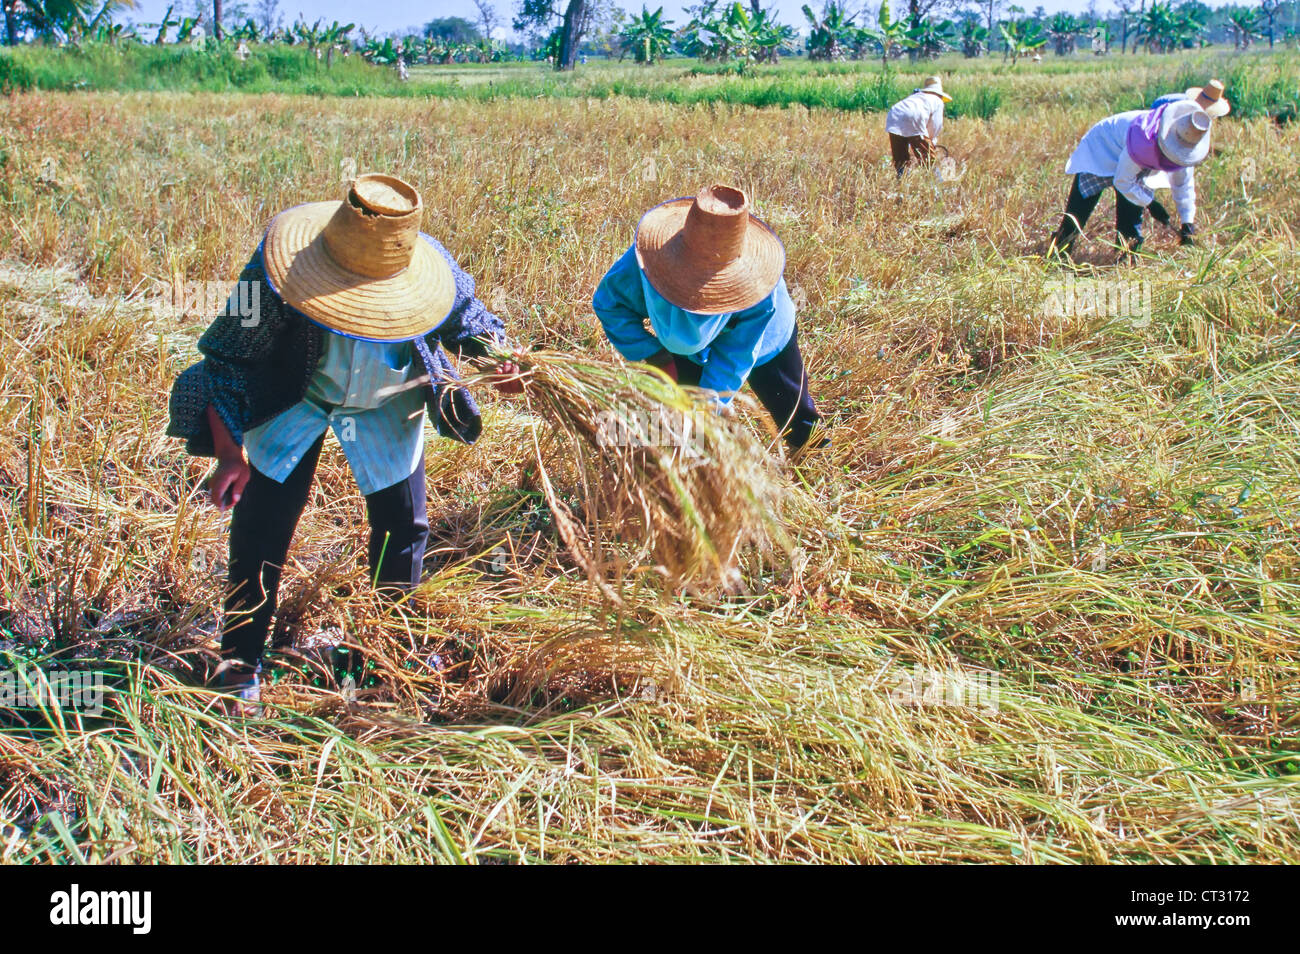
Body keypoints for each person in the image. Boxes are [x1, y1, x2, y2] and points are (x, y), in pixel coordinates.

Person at [167, 173, 519, 704]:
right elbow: (228, 359)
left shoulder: (434, 269)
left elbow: (470, 321)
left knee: (403, 526)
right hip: (294, 389)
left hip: (387, 391)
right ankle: (239, 662)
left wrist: (501, 358)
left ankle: (388, 654)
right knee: (263, 522)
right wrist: (228, 454)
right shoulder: (273, 273)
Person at [592, 184, 823, 452]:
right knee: (687, 415)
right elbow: (610, 305)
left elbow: (736, 356)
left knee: (790, 405)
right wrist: (655, 355)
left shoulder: (759, 293)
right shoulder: (646, 262)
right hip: (684, 348)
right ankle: (709, 461)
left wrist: (709, 406)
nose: (696, 302)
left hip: (765, 340)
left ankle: (811, 451)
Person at [1048, 79, 1228, 261]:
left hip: (1133, 158)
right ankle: (1059, 251)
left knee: (1131, 216)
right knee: (1078, 211)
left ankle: (1126, 257)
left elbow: (1183, 184)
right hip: (1103, 148)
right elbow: (1123, 180)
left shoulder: (1186, 142)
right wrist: (1150, 203)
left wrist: (1187, 222)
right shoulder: (1145, 137)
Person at [885, 76, 951, 177]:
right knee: (928, 160)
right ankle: (936, 186)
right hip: (914, 116)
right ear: (939, 93)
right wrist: (930, 142)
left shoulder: (917, 97)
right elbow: (935, 126)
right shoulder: (937, 100)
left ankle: (902, 182)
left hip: (894, 114)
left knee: (900, 159)